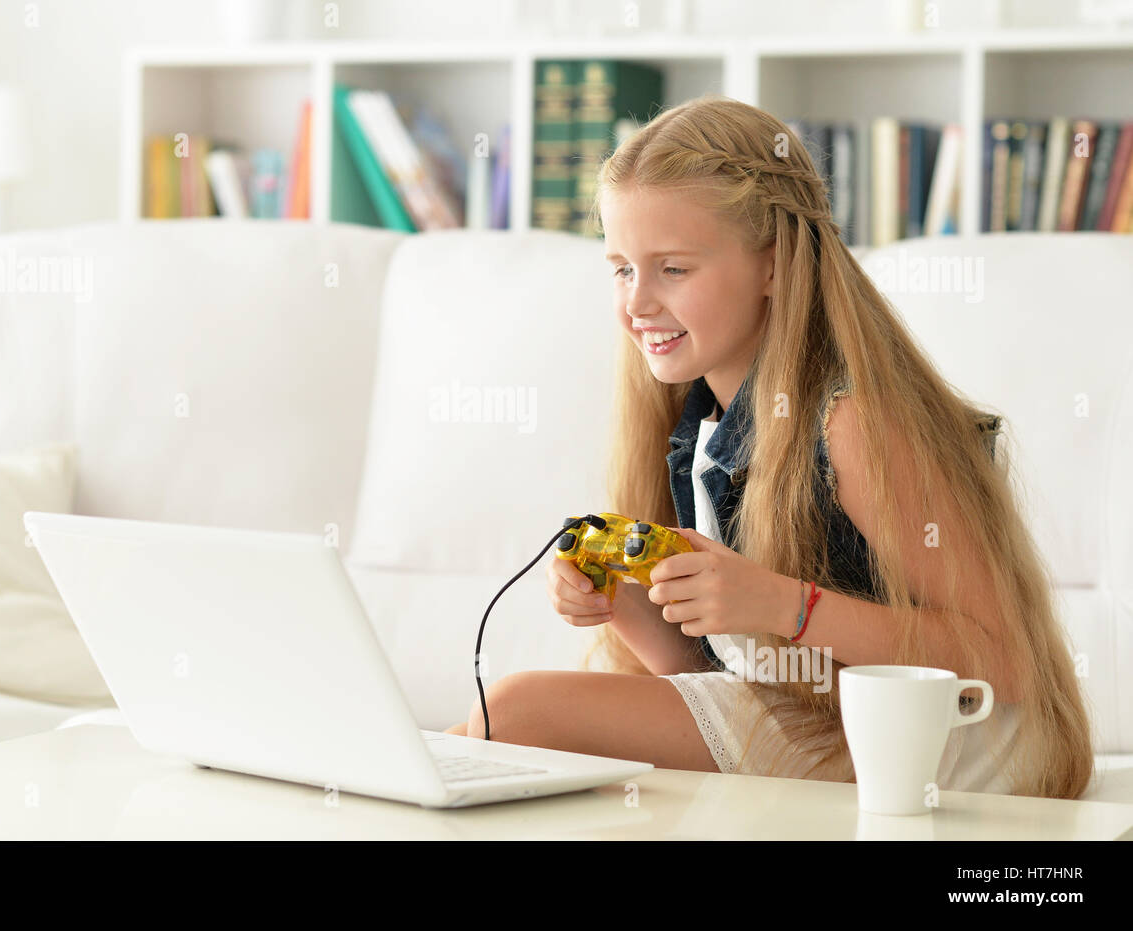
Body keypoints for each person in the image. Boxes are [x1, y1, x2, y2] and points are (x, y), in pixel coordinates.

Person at [443, 95, 1093, 799]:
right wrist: (623, 604)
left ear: (775, 266)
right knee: (535, 736)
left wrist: (787, 605)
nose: (635, 303)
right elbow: (718, 682)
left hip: (948, 743)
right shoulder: (699, 425)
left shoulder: (852, 422)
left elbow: (1004, 659)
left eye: (673, 268)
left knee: (518, 711)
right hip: (821, 721)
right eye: (622, 268)